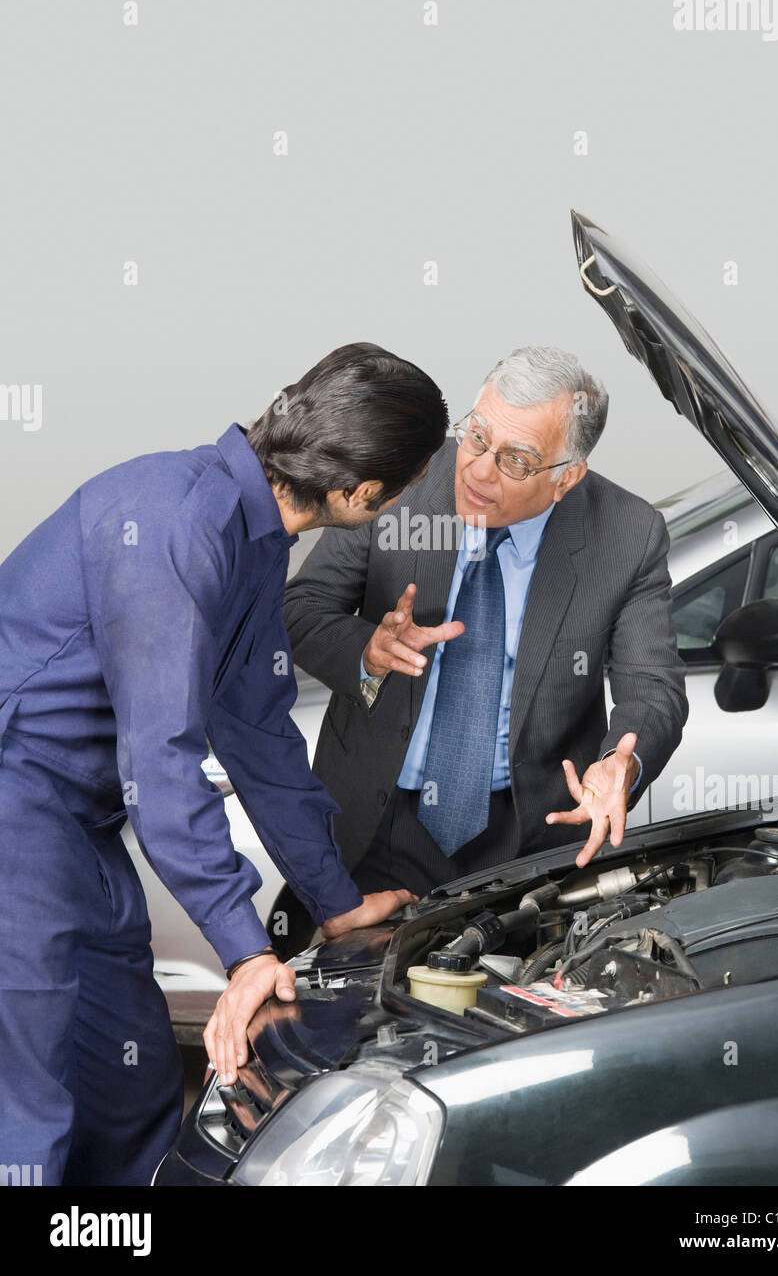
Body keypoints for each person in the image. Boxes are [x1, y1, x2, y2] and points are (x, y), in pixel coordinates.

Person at [0, 342, 447, 1186]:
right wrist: (245, 950)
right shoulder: (174, 524)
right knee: (26, 1112)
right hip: (12, 805)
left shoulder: (254, 540)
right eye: (406, 487)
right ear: (361, 492)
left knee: (129, 1086)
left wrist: (336, 904)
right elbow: (161, 759)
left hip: (75, 830)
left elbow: (258, 734)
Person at [280, 345, 688, 938]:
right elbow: (302, 608)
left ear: (566, 476)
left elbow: (653, 688)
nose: (477, 470)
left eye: (516, 461)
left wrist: (618, 762)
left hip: (531, 845)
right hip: (379, 825)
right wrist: (366, 650)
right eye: (475, 437)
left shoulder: (627, 533)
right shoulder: (404, 483)